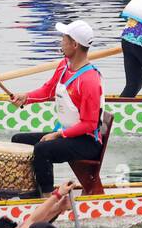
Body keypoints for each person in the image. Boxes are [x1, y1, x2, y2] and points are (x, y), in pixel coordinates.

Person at [8, 21, 105, 195]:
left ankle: (47, 199)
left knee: (42, 149)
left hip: (87, 142)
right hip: (69, 134)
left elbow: (89, 124)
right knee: (18, 140)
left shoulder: (89, 80)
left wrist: (58, 134)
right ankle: (29, 190)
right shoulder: (64, 66)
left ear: (74, 45)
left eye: (64, 38)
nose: (61, 41)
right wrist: (25, 98)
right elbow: (48, 90)